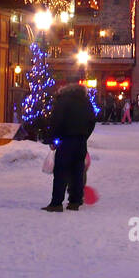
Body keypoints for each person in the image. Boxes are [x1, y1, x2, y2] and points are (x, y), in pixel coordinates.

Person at [43, 84, 95, 212]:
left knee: (61, 171)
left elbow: (56, 121)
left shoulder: (62, 101)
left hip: (65, 140)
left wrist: (52, 139)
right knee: (78, 170)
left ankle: (56, 203)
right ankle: (75, 201)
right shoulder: (86, 102)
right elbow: (92, 121)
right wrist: (84, 135)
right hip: (81, 141)